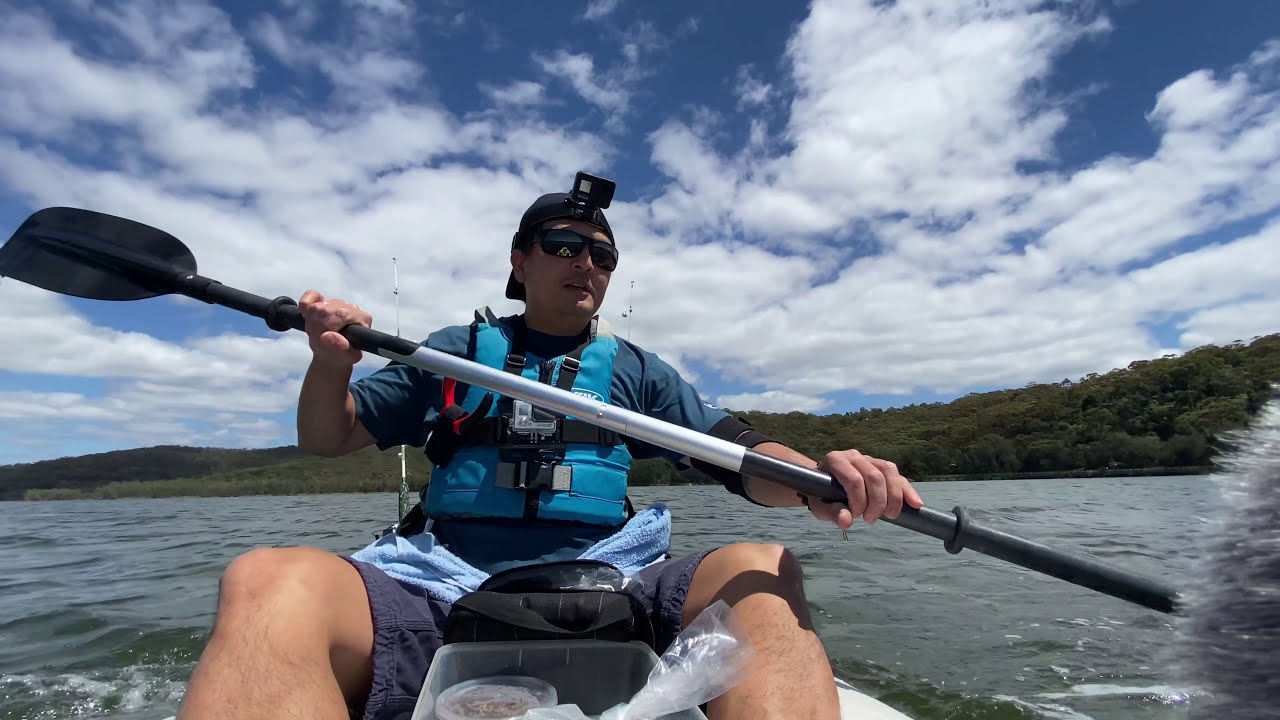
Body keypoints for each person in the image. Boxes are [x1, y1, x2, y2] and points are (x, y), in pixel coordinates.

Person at [176, 176, 925, 720]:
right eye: (565, 245)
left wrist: (820, 479)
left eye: (603, 257)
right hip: (442, 576)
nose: (587, 264)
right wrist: (332, 363)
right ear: (519, 260)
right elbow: (327, 437)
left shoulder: (636, 372)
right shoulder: (453, 353)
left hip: (616, 574)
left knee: (762, 565)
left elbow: (742, 453)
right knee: (266, 577)